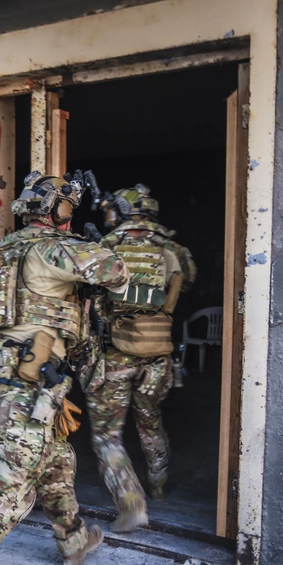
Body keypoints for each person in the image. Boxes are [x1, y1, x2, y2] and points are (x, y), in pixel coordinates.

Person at [0, 171, 129, 565]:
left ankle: (74, 540)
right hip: (30, 377)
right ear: (61, 210)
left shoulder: (6, 248)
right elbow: (116, 273)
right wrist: (97, 242)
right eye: (69, 208)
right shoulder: (54, 249)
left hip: (1, 369)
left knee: (57, 458)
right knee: (16, 475)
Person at [87, 185, 197, 532]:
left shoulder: (106, 247)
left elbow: (86, 292)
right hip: (158, 358)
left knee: (108, 434)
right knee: (150, 420)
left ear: (120, 211)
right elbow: (188, 283)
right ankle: (158, 484)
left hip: (115, 355)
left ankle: (132, 503)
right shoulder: (174, 249)